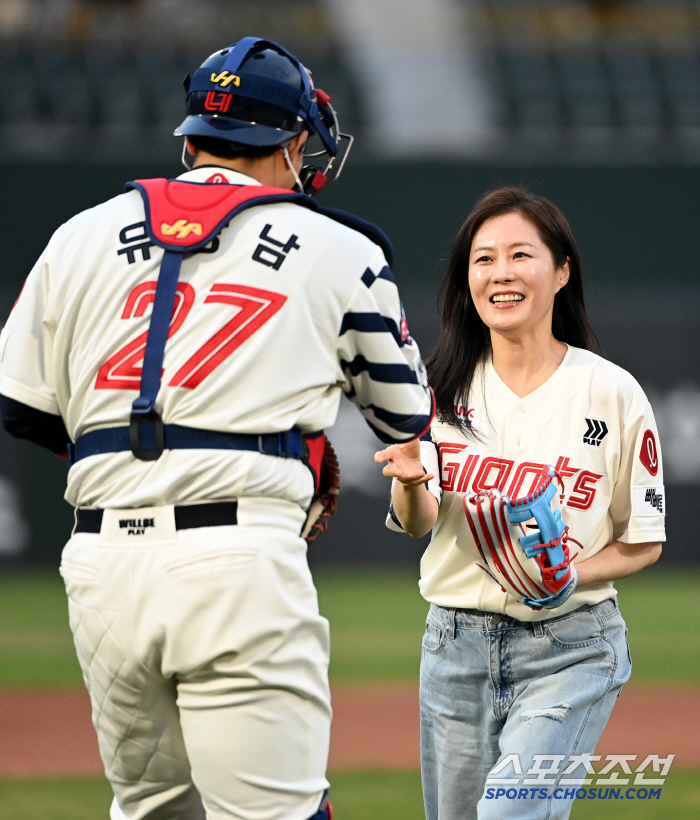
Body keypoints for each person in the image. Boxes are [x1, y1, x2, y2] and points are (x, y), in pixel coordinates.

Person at [0, 38, 434, 820]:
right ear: (296, 142)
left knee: (154, 811)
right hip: (238, 559)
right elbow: (405, 416)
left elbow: (24, 409)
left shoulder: (79, 233)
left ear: (192, 136)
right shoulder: (341, 247)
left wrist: (157, 450)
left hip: (100, 568)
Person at [375, 187, 665, 820]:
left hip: (573, 645)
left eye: (519, 255)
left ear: (561, 272)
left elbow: (643, 540)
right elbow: (418, 523)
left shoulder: (611, 392)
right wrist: (410, 479)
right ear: (466, 279)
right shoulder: (438, 387)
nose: (500, 273)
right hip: (455, 644)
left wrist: (570, 575)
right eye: (483, 259)